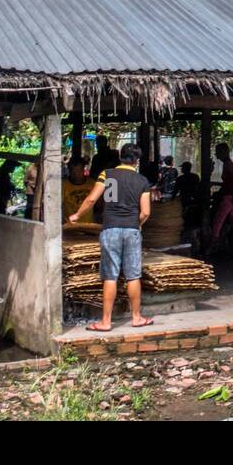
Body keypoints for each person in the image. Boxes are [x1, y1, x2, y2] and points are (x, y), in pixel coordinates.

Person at [70, 142, 153, 331]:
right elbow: (146, 212)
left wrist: (77, 215)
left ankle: (106, 321)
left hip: (110, 229)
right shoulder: (142, 181)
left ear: (120, 157)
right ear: (137, 161)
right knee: (133, 275)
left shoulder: (108, 175)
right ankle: (137, 317)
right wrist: (137, 224)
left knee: (110, 275)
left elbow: (93, 199)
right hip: (132, 229)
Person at [61, 156, 94, 224]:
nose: (76, 174)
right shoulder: (63, 185)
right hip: (70, 225)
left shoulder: (92, 183)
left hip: (88, 225)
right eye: (73, 171)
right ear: (69, 170)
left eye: (79, 171)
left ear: (83, 169)